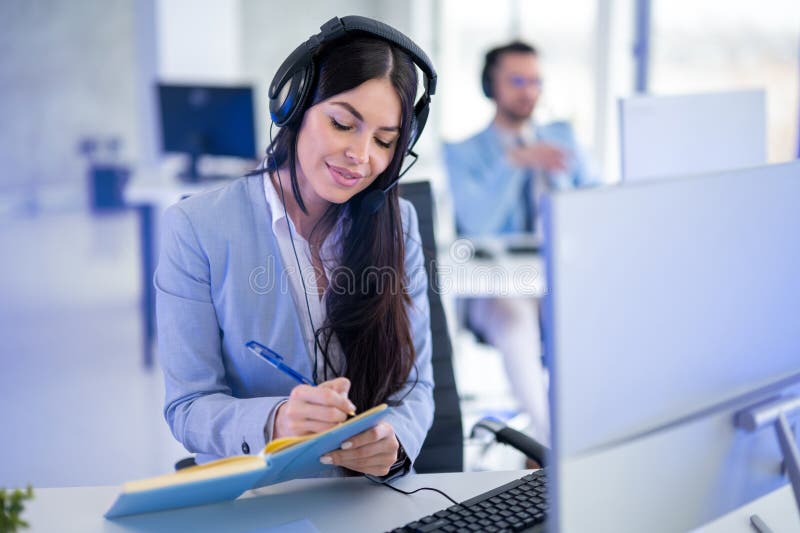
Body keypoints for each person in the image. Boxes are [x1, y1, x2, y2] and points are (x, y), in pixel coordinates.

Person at [155, 16, 436, 481]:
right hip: (255, 493)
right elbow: (188, 405)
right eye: (343, 124)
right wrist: (276, 421)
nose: (363, 156)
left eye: (385, 141)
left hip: (361, 494)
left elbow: (417, 384)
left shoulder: (397, 222)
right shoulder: (195, 228)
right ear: (294, 105)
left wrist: (396, 442)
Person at [443, 41, 591, 445]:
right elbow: (477, 224)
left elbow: (592, 206)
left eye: (536, 82)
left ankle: (591, 432)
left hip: (557, 278)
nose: (529, 91)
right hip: (496, 287)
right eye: (518, 81)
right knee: (515, 321)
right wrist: (515, 161)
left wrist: (551, 169)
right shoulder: (463, 152)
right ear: (491, 86)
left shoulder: (561, 139)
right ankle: (552, 446)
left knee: (585, 316)